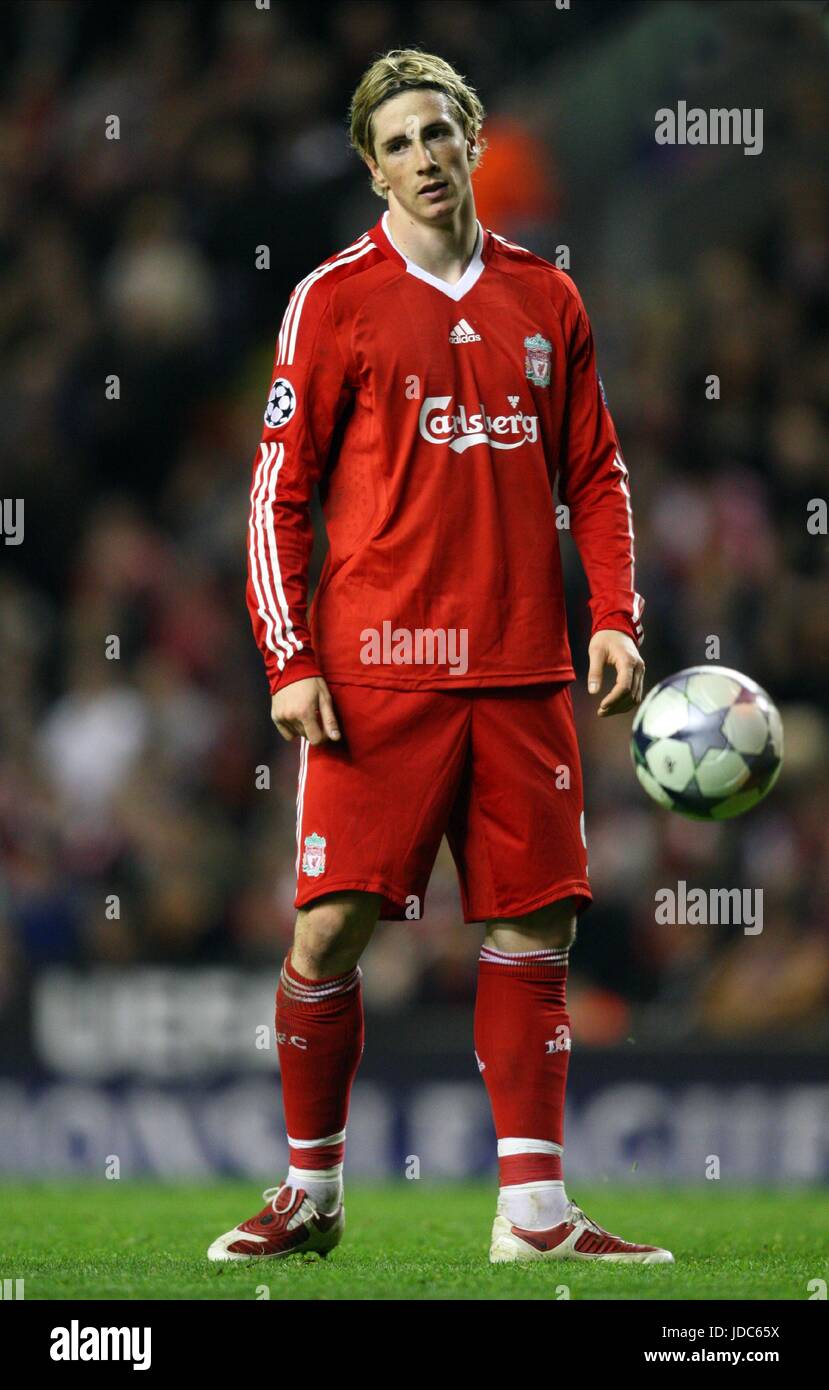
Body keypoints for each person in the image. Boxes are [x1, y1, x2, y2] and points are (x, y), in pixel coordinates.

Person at [209, 47, 672, 1266]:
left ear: (472, 141)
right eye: (398, 142)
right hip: (377, 677)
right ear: (372, 166)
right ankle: (310, 1191)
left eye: (438, 133)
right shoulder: (331, 300)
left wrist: (614, 612)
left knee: (534, 933)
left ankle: (533, 1215)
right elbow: (277, 497)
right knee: (329, 934)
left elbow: (596, 471)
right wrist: (289, 652)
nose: (423, 157)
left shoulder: (547, 298)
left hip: (521, 675)